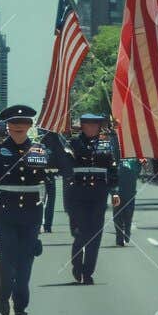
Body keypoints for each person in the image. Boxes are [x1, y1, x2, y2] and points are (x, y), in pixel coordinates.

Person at [0, 105, 56, 315]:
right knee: (7, 256)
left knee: (26, 260)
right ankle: (4, 294)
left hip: (32, 213)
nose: (18, 127)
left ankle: (20, 306)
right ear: (8, 127)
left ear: (30, 126)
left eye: (23, 123)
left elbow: (48, 182)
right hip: (6, 211)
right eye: (14, 124)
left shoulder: (39, 151)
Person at [60, 114, 121, 284]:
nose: (92, 128)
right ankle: (77, 265)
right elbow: (66, 167)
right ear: (83, 126)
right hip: (78, 194)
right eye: (88, 125)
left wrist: (115, 192)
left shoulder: (105, 145)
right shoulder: (73, 144)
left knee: (95, 235)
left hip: (98, 195)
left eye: (95, 125)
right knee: (80, 233)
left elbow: (112, 170)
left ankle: (88, 273)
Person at [114, 155, 140, 246]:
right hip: (116, 192)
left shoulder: (134, 160)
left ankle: (127, 232)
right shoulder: (114, 159)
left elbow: (137, 172)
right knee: (117, 216)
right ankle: (119, 238)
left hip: (130, 191)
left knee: (128, 215)